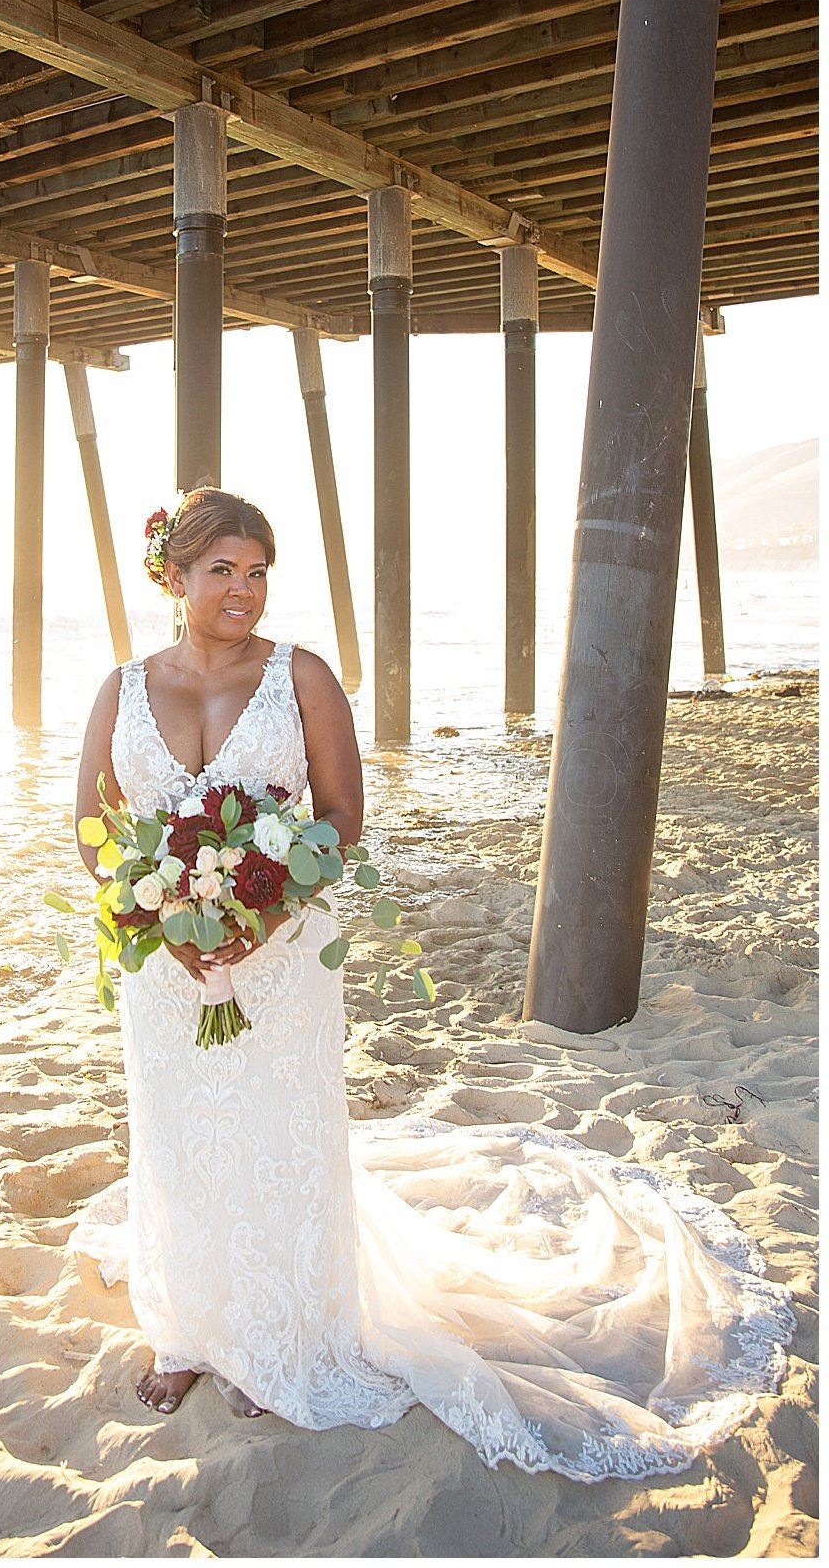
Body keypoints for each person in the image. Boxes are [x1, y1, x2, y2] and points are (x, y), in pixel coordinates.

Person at [70, 486, 793, 1479]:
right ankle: (190, 1329)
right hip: (168, 964)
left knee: (279, 1132)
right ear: (174, 576)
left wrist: (263, 920)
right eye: (222, 570)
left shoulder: (301, 677)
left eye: (258, 571)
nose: (244, 589)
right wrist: (157, 913)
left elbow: (341, 817)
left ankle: (278, 1335)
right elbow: (94, 828)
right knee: (178, 1132)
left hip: (280, 955)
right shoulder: (120, 689)